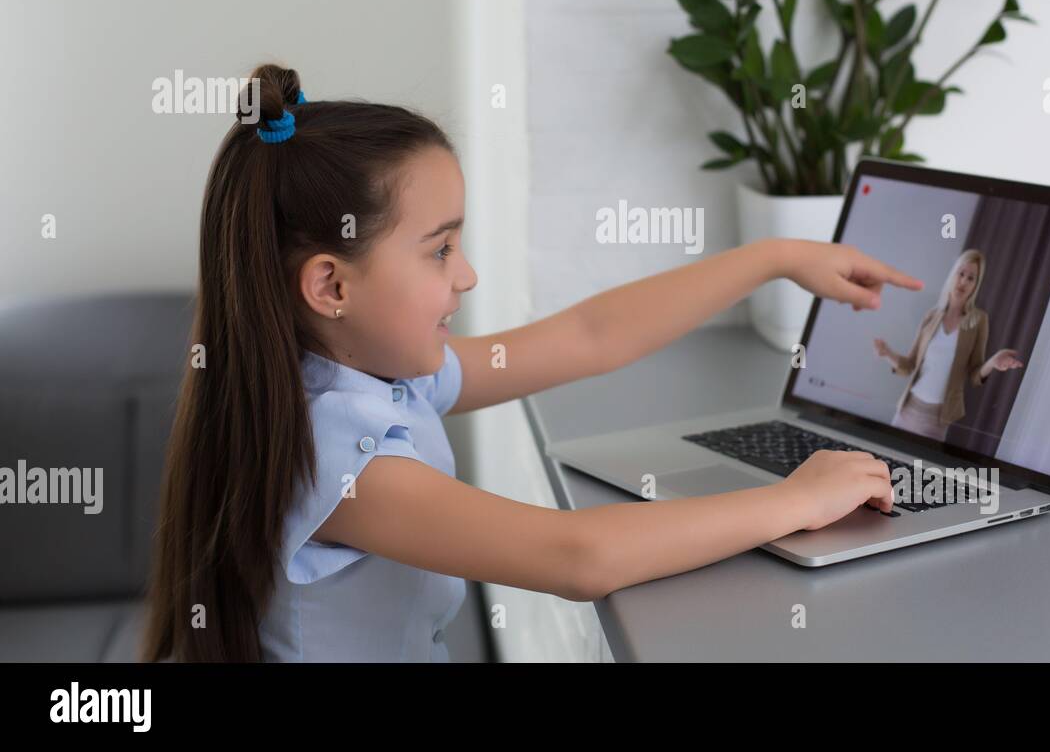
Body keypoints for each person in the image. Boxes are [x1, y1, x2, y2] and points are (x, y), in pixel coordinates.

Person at [142, 62, 926, 661]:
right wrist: (794, 501)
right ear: (330, 285)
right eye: (440, 248)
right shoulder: (337, 456)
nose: (467, 274)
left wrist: (774, 257)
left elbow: (590, 336)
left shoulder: (373, 379)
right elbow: (576, 556)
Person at [872, 249, 1024, 441]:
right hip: (907, 410)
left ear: (976, 285)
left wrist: (993, 362)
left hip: (937, 419)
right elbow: (909, 365)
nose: (963, 281)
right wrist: (887, 353)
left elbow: (975, 374)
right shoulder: (932, 316)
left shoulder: (978, 320)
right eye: (961, 274)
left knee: (919, 471)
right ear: (953, 275)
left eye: (971, 278)